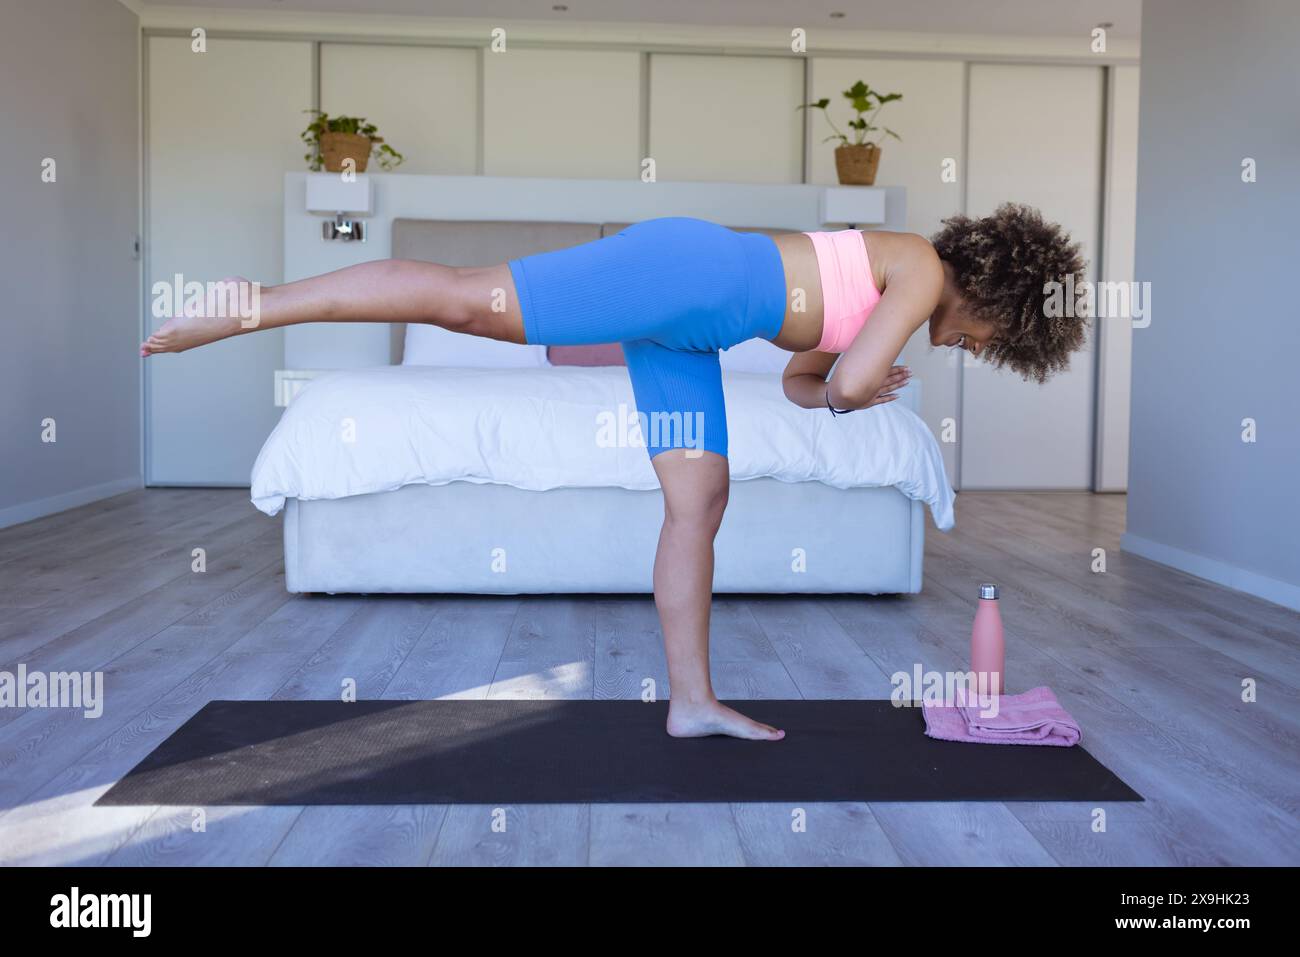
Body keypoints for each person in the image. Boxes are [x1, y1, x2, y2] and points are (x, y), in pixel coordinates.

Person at [141, 202, 1087, 741]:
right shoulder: (919, 263)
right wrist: (856, 391)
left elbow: (810, 385)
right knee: (473, 304)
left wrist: (848, 394)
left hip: (689, 332)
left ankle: (690, 700)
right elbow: (844, 381)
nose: (979, 344)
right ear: (1000, 296)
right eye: (998, 334)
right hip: (682, 274)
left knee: (700, 496)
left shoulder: (890, 286)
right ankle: (254, 306)